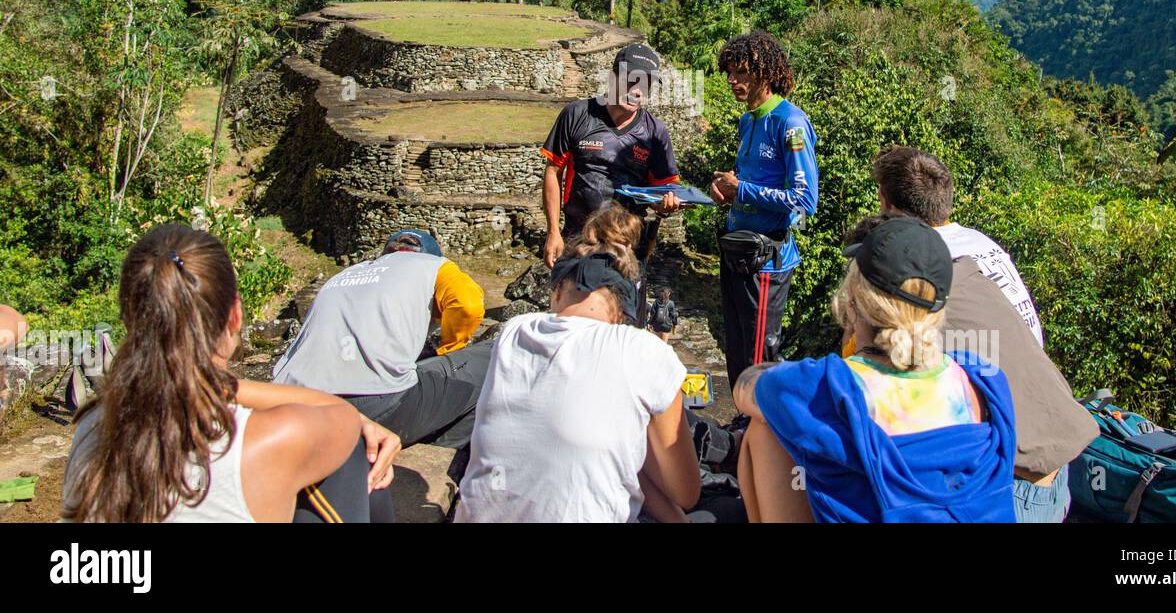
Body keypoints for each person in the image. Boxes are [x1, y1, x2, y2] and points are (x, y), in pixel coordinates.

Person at [62, 224, 398, 523]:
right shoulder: (266, 440)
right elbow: (343, 417)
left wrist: (191, 379)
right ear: (235, 316)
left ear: (127, 319)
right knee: (359, 462)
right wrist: (210, 383)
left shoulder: (94, 426)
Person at [733, 217, 1016, 523]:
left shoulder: (830, 389)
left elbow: (744, 390)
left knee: (766, 430)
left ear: (854, 298)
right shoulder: (985, 381)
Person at [842, 213, 1097, 522]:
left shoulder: (907, 320)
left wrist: (854, 324)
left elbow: (856, 400)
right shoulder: (965, 275)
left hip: (1013, 487)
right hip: (1059, 474)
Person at [457, 244, 700, 522]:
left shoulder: (514, 332)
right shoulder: (643, 350)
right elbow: (686, 492)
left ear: (557, 291)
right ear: (623, 313)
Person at [273, 228, 490, 450]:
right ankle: (436, 456)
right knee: (493, 363)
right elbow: (468, 305)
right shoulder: (434, 266)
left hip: (292, 405)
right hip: (376, 401)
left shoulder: (342, 276)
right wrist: (450, 346)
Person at [710, 30, 819, 388]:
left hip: (767, 261)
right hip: (735, 251)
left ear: (766, 74)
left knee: (759, 359)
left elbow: (804, 200)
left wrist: (742, 189)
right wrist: (727, 191)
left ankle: (759, 433)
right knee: (737, 348)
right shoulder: (747, 121)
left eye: (741, 72)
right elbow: (748, 183)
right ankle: (740, 428)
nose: (732, 80)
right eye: (729, 72)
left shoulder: (791, 124)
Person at [873, 146, 1043, 344]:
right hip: (1034, 365)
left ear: (887, 204)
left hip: (985, 370)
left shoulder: (916, 259)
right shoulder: (980, 240)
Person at [540, 43, 681, 268]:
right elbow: (553, 171)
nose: (637, 91)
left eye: (645, 85)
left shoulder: (655, 132)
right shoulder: (577, 114)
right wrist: (553, 231)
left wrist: (665, 205)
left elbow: (663, 191)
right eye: (631, 80)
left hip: (626, 250)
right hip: (576, 240)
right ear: (612, 77)